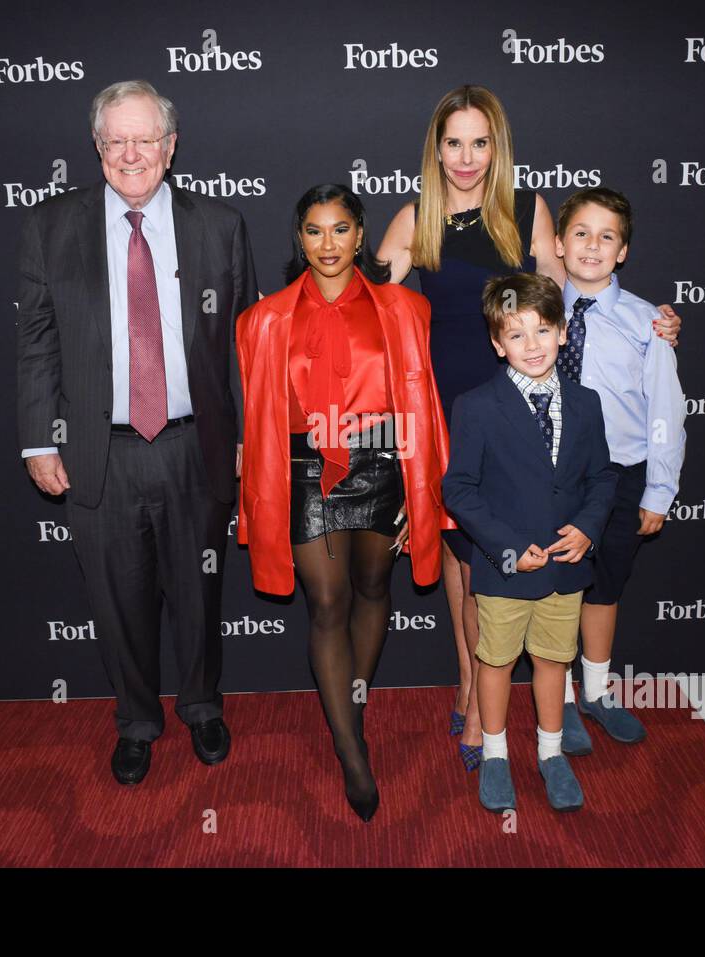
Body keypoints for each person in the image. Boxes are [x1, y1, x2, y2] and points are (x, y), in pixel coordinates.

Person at [376, 85, 681, 770]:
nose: (465, 157)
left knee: (518, 560)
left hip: (525, 401)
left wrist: (645, 319)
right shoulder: (415, 219)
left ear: (497, 146)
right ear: (436, 148)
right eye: (453, 142)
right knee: (466, 557)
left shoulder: (524, 211)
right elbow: (360, 291)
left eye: (479, 142)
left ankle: (524, 703)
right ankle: (470, 690)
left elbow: (566, 286)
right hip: (456, 410)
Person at [16, 80, 258, 786]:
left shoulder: (219, 224)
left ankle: (204, 705)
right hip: (101, 450)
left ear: (170, 146)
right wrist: (39, 439)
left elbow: (244, 342)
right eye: (115, 140)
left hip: (196, 444)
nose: (131, 154)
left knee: (201, 592)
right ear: (96, 147)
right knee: (117, 603)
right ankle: (136, 721)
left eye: (145, 139)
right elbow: (35, 341)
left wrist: (248, 433)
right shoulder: (49, 226)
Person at [237, 184, 450, 821]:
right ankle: (351, 749)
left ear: (361, 235)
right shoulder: (264, 319)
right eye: (313, 231)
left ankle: (351, 699)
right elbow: (257, 422)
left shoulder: (406, 308)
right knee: (327, 602)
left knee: (373, 586)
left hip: (384, 462)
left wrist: (423, 487)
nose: (327, 244)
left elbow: (425, 403)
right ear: (298, 240)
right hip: (306, 471)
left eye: (339, 230)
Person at [442, 272, 617, 812]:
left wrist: (588, 528)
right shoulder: (476, 406)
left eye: (542, 331)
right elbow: (459, 490)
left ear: (563, 333)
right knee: (494, 664)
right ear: (497, 343)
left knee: (553, 662)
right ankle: (495, 756)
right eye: (516, 335)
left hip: (566, 567)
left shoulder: (586, 402)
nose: (532, 345)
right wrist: (509, 546)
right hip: (506, 568)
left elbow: (602, 477)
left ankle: (550, 752)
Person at [550, 187, 686, 754]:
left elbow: (664, 410)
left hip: (623, 474)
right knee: (556, 591)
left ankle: (599, 691)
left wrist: (659, 489)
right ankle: (554, 701)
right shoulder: (535, 311)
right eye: (581, 232)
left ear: (623, 251)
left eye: (607, 236)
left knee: (605, 589)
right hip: (556, 475)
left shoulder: (647, 322)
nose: (593, 245)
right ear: (558, 243)